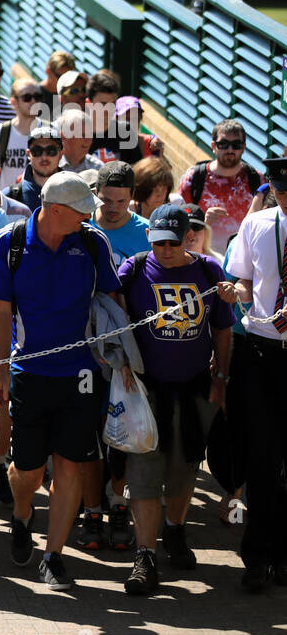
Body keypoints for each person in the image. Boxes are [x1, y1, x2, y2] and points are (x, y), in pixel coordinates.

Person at [0, 172, 122, 590]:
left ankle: (53, 555)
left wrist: (122, 358)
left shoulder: (94, 242)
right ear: (56, 210)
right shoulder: (9, 243)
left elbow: (113, 300)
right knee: (26, 471)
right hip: (28, 371)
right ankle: (23, 514)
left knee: (70, 464)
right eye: (83, 212)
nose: (89, 219)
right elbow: (1, 312)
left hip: (81, 373)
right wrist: (1, 371)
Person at [116, 205, 235, 595]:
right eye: (157, 242)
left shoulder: (207, 271)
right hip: (146, 393)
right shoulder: (133, 269)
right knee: (145, 472)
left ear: (187, 237)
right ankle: (145, 556)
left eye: (171, 242)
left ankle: (176, 530)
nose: (164, 250)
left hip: (195, 388)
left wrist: (220, 378)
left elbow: (222, 330)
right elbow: (110, 315)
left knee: (184, 468)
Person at [224, 157, 287, 592]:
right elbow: (245, 281)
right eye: (280, 191)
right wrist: (236, 292)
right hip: (263, 352)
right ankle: (258, 556)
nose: (285, 198)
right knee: (262, 459)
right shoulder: (259, 224)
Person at [179, 119, 260, 255]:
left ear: (244, 147)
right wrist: (204, 222)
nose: (230, 150)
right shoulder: (194, 177)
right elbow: (179, 221)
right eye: (223, 144)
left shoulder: (257, 179)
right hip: (203, 262)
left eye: (236, 144)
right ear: (213, 145)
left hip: (242, 262)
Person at [0, 78, 49, 188]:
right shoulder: (0, 133)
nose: (33, 101)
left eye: (37, 97)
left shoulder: (50, 131)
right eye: (27, 98)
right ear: (14, 102)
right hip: (7, 202)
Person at [92, 162, 152, 266]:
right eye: (107, 200)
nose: (113, 208)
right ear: (96, 192)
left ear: (132, 195)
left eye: (121, 201)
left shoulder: (148, 233)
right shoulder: (79, 224)